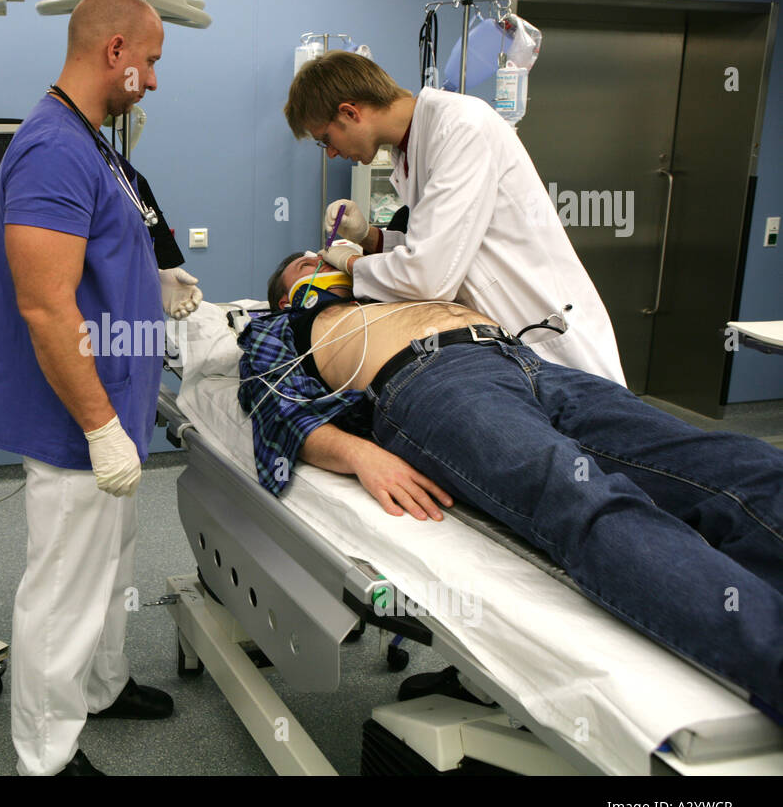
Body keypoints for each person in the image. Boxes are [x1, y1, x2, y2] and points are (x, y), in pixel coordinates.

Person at [235, 253, 783, 717]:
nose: (324, 258)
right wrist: (358, 454)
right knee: (585, 498)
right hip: (426, 380)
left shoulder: (395, 282)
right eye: (309, 262)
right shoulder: (281, 326)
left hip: (531, 363)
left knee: (745, 466)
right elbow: (270, 404)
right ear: (290, 295)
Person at [0, 0, 200, 777]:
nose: (154, 78)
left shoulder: (94, 141)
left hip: (112, 414)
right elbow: (45, 308)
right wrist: (103, 429)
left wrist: (158, 281)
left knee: (110, 572)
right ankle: (44, 756)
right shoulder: (53, 148)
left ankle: (103, 689)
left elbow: (103, 254)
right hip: (78, 421)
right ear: (116, 54)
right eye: (151, 61)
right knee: (64, 591)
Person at [284, 51, 626, 385]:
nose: (331, 153)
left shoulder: (461, 127)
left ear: (349, 112)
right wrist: (370, 237)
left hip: (544, 327)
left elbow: (429, 277)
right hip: (504, 343)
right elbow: (448, 246)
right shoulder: (409, 148)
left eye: (325, 139)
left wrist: (352, 264)